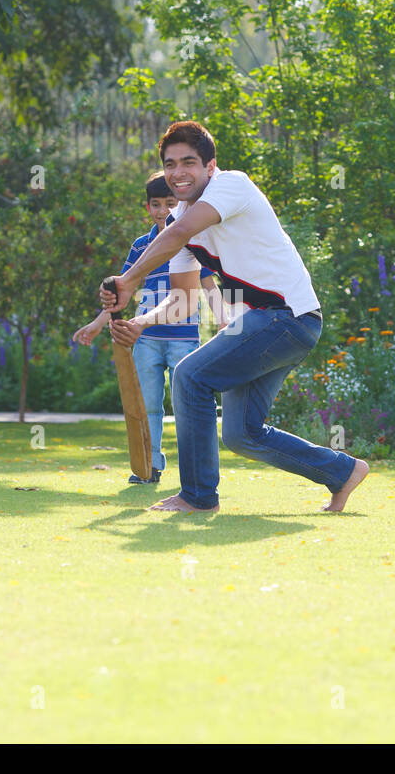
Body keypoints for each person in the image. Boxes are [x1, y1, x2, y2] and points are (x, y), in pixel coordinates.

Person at [100, 120, 370, 513]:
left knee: (190, 376)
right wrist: (139, 324)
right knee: (242, 434)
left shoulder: (232, 185)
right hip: (264, 324)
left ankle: (197, 496)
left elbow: (178, 235)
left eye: (188, 162)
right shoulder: (178, 226)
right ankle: (342, 471)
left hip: (287, 317)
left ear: (210, 166)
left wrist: (127, 280)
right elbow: (183, 301)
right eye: (170, 163)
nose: (178, 173)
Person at [73, 170, 221, 483]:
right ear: (148, 207)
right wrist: (99, 324)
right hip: (145, 339)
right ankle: (149, 467)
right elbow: (120, 290)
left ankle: (194, 474)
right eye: (156, 204)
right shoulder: (141, 247)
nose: (163, 210)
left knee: (187, 407)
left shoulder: (193, 239)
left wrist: (224, 319)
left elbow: (208, 286)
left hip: (183, 338)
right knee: (147, 406)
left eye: (170, 202)